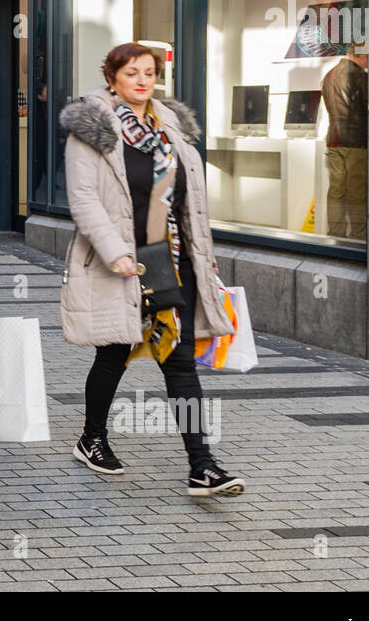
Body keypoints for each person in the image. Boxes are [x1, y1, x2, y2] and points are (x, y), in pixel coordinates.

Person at [59, 42, 243, 498]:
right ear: (112, 78)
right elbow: (83, 198)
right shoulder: (93, 128)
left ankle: (202, 465)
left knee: (180, 361)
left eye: (149, 73)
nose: (142, 81)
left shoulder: (170, 128)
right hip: (122, 260)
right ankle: (93, 437)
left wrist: (203, 255)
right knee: (115, 353)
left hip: (171, 258)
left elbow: (190, 201)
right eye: (131, 73)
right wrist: (114, 250)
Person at [321, 46, 368, 240]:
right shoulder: (359, 76)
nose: (368, 61)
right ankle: (358, 237)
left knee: (336, 191)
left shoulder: (328, 75)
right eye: (367, 57)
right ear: (361, 55)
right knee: (357, 192)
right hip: (356, 142)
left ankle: (336, 235)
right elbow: (368, 107)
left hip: (334, 139)